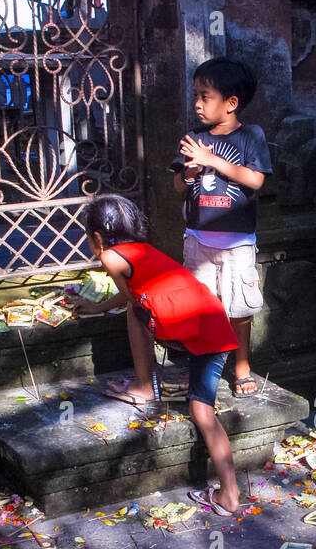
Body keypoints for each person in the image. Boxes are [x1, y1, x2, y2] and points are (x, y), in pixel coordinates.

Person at [74, 193, 244, 517]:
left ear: (96, 237)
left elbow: (132, 299)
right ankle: (144, 386)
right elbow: (133, 297)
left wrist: (97, 306)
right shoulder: (144, 250)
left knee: (203, 414)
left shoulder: (111, 257)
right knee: (201, 408)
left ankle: (230, 495)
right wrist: (97, 307)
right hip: (213, 326)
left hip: (203, 335)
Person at [170, 57, 272, 396]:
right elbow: (178, 187)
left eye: (206, 96)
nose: (197, 104)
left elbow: (255, 180)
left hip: (237, 241)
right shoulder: (193, 137)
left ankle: (241, 366)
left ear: (231, 104)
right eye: (196, 96)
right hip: (198, 238)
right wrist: (189, 173)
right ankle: (204, 366)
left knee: (239, 309)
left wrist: (212, 160)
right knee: (204, 306)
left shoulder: (251, 136)